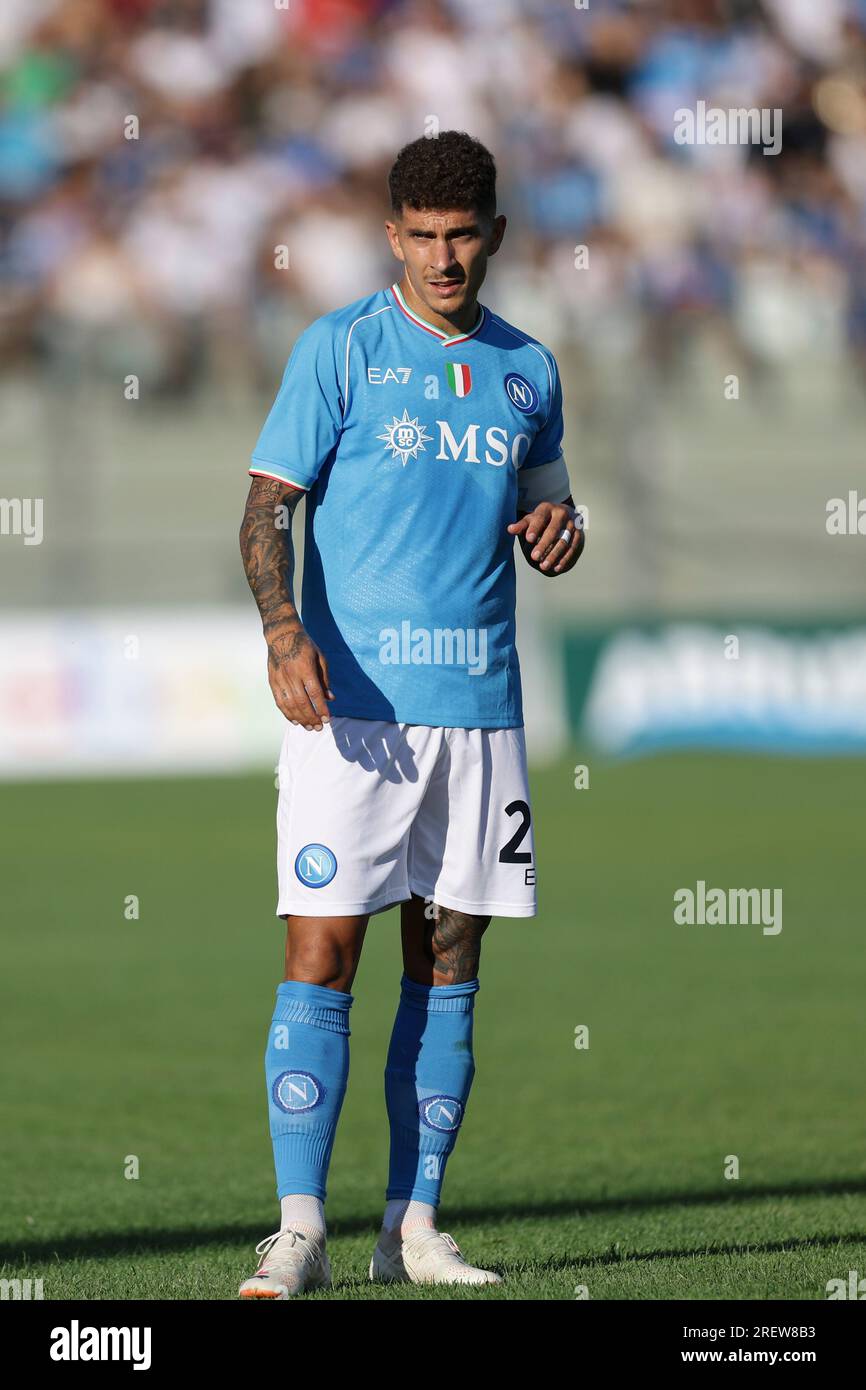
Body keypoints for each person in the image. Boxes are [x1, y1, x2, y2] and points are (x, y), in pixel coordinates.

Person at [237, 130, 584, 1297]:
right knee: (320, 950)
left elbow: (551, 518)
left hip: (477, 710)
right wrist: (285, 634)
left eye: (461, 235)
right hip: (352, 710)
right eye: (422, 236)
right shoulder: (338, 350)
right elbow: (262, 512)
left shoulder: (528, 369)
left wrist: (559, 534)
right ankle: (297, 1231)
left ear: (493, 233)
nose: (443, 256)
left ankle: (412, 1225)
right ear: (393, 236)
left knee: (444, 961)